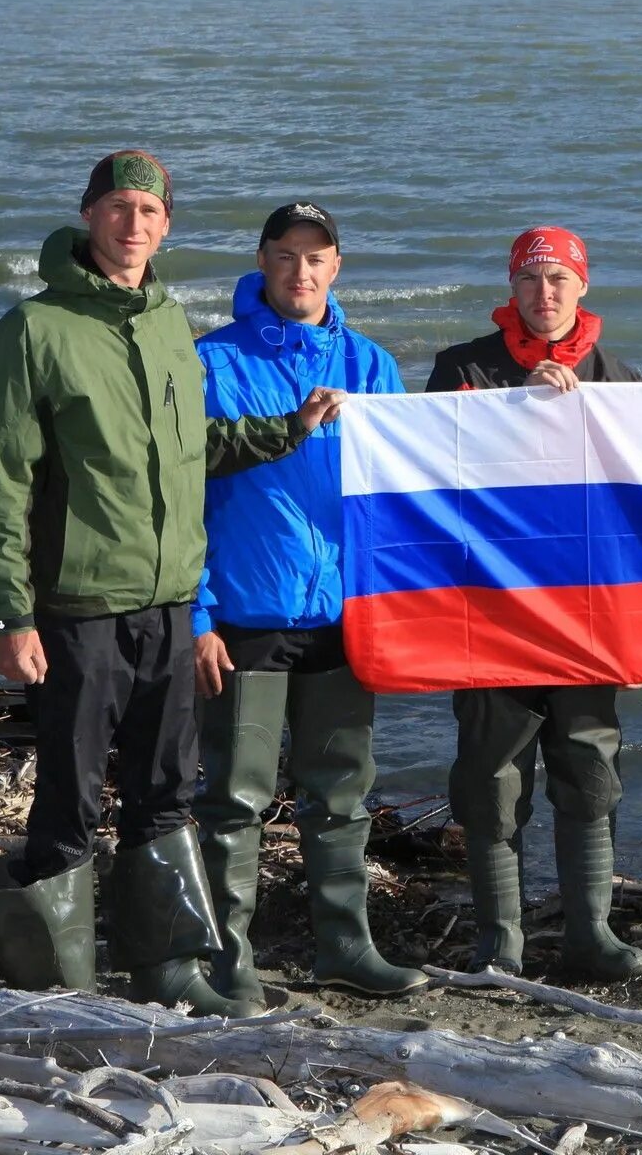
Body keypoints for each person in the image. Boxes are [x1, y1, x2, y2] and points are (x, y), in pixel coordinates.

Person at [0, 152, 336, 1012]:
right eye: (119, 207)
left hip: (169, 603)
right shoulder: (36, 329)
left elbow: (192, 453)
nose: (134, 225)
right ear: (89, 215)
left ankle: (167, 971)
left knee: (167, 790)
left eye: (150, 211)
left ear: (168, 225)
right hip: (77, 606)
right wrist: (11, 612)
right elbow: (0, 480)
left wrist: (287, 429)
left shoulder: (172, 324)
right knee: (71, 794)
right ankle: (65, 987)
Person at [191, 203, 427, 1013]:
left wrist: (396, 613)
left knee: (340, 794)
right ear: (261, 260)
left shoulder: (373, 365)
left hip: (343, 620)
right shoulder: (211, 363)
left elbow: (401, 505)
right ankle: (228, 958)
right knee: (235, 799)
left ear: (337, 267)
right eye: (286, 256)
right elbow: (178, 499)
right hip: (246, 615)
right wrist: (197, 617)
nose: (301, 272)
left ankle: (346, 945)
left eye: (317, 258)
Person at [426, 226, 642, 982]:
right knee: (491, 777)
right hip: (490, 614)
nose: (544, 294)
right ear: (511, 288)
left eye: (559, 279)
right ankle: (501, 940)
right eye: (530, 280)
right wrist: (510, 411)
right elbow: (432, 476)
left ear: (583, 287)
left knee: (588, 766)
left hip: (588, 615)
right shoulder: (462, 370)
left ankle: (590, 931)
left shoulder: (620, 379)